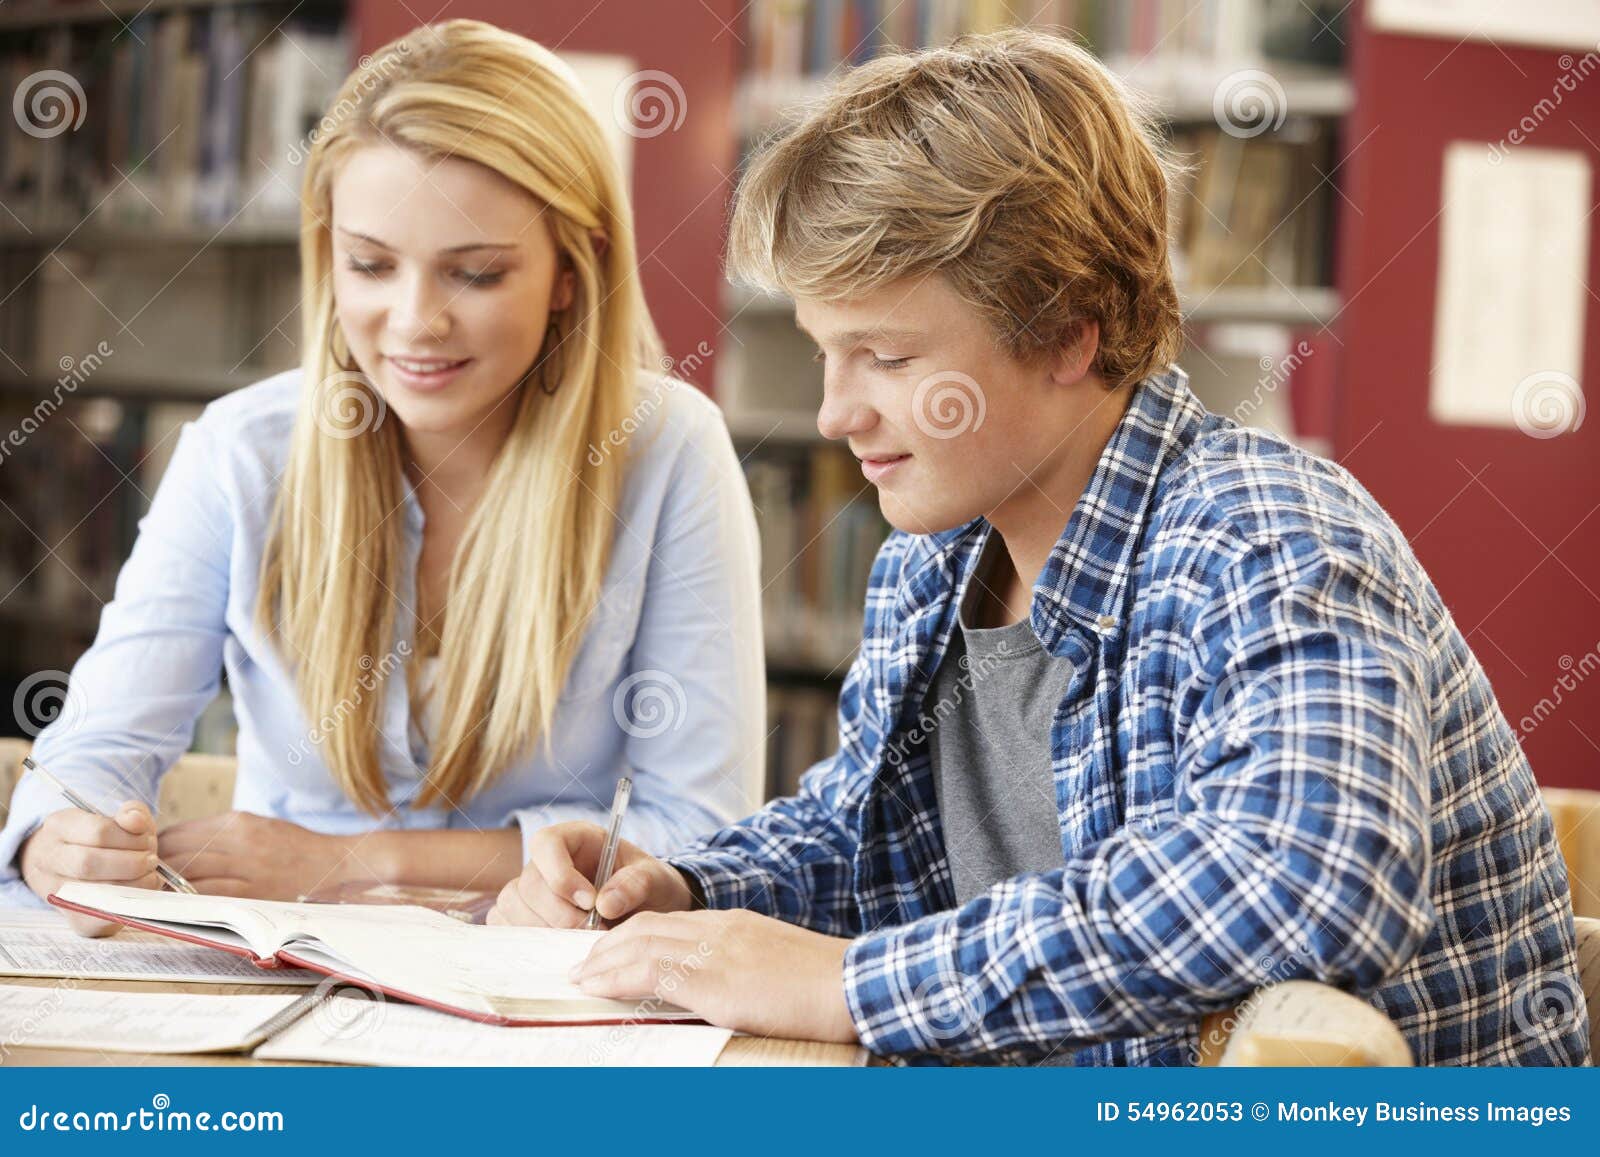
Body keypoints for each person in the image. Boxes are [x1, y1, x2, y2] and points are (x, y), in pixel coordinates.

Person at [490, 29, 1589, 1067]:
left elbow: (1300, 877)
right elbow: (865, 837)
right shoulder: (933, 561)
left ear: (1070, 330)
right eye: (827, 351)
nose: (833, 414)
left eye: (885, 355)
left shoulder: (1264, 533)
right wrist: (682, 885)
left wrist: (855, 985)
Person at [3, 20, 764, 935]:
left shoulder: (667, 450)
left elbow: (701, 833)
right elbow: (98, 746)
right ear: (329, 255)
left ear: (572, 269)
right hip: (279, 962)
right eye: (370, 264)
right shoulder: (242, 452)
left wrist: (349, 863)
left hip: (544, 981)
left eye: (474, 273)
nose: (414, 323)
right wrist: (60, 835)